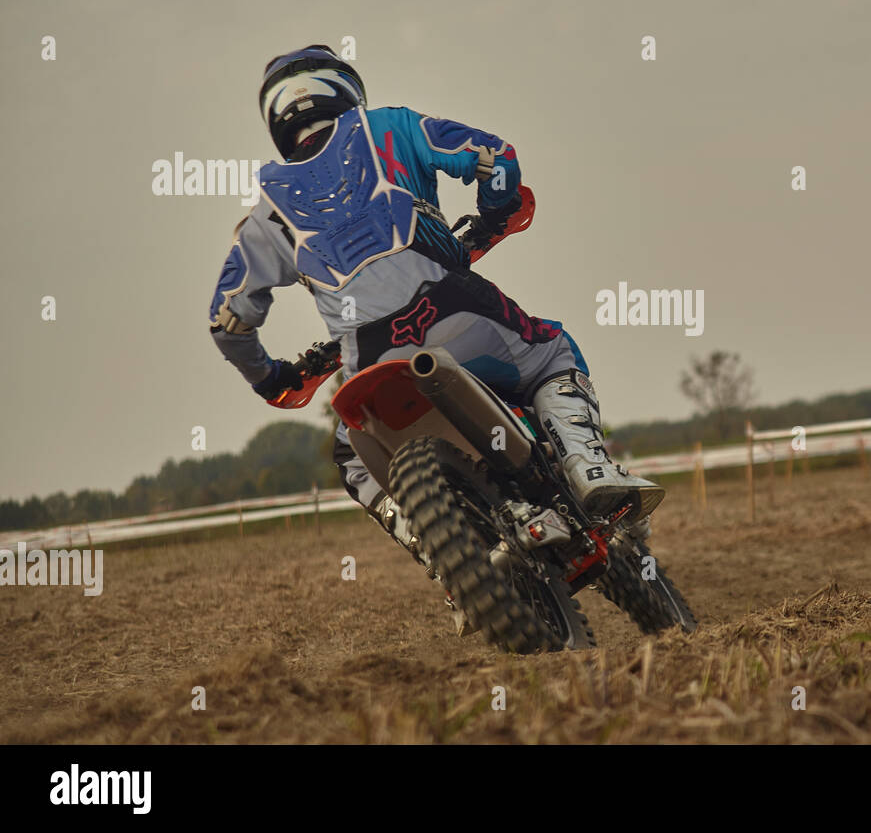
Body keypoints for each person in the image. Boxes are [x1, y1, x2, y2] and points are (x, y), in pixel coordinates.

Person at [208, 45, 662, 576]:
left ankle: (439, 555)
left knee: (353, 457)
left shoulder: (268, 211)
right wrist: (495, 212)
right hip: (459, 315)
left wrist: (272, 377)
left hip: (372, 360)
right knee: (551, 351)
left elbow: (228, 322)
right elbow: (495, 157)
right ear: (343, 87)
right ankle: (589, 466)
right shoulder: (392, 127)